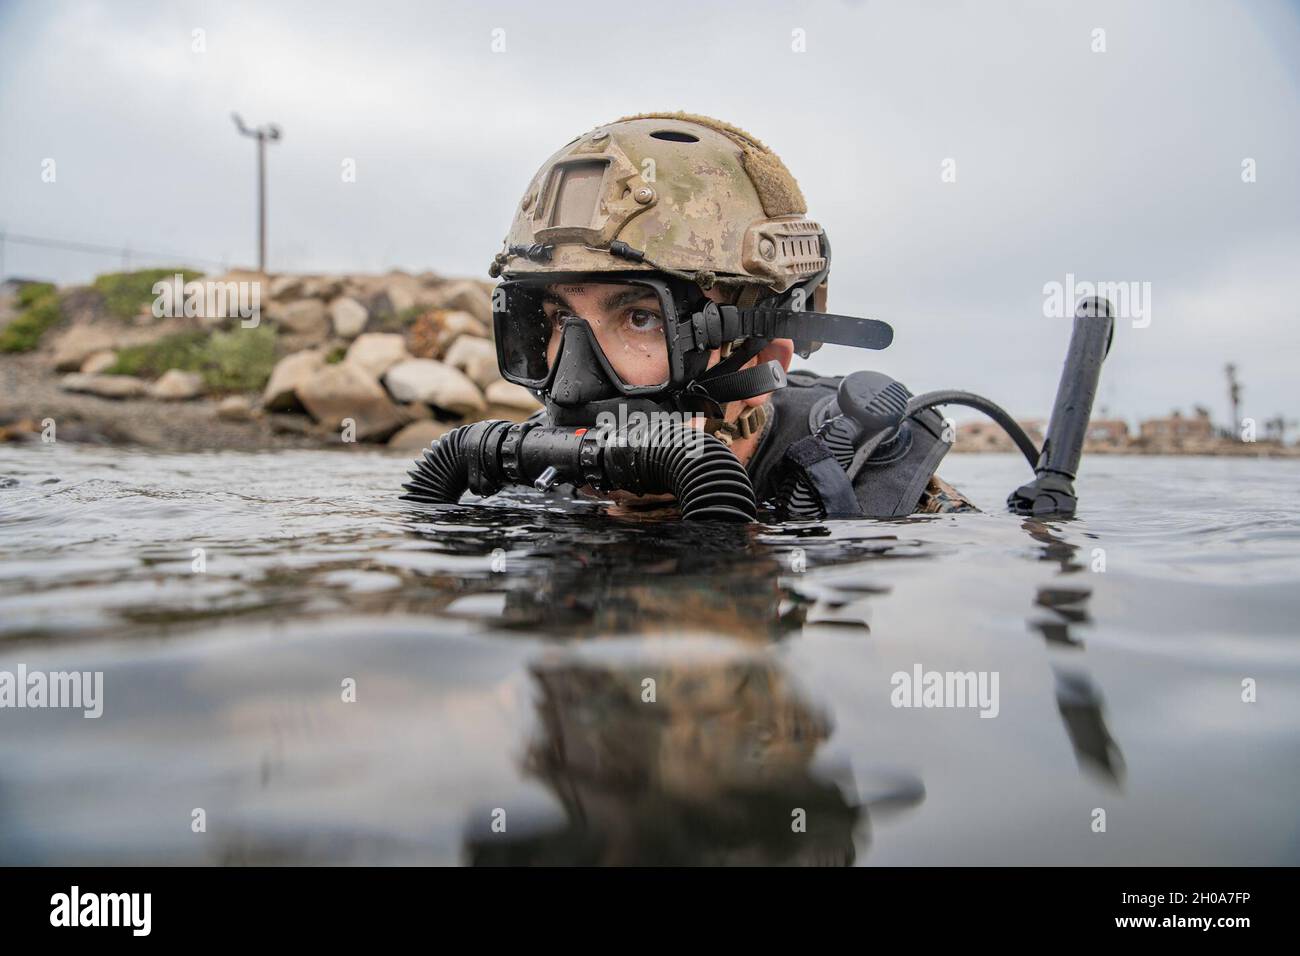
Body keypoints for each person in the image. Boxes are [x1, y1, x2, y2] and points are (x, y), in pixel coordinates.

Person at [486, 112, 973, 519]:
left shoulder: (875, 508)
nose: (570, 385)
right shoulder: (529, 488)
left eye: (641, 319)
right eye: (555, 319)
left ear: (764, 365)